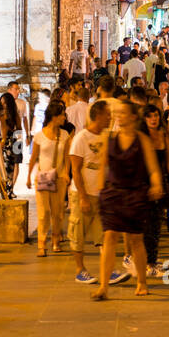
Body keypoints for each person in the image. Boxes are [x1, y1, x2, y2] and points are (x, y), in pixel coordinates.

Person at [92, 98, 163, 300]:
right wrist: (100, 190)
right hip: (113, 194)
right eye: (117, 113)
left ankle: (141, 281)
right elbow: (102, 166)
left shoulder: (143, 140)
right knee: (109, 237)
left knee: (136, 240)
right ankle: (103, 286)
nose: (119, 116)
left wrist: (156, 184)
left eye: (123, 113)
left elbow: (153, 169)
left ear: (133, 117)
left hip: (134, 194)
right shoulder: (110, 138)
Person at [69, 100, 122, 284]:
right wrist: (83, 196)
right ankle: (80, 269)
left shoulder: (107, 136)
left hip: (101, 194)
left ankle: (109, 269)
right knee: (78, 232)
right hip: (82, 193)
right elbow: (75, 169)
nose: (110, 118)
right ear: (98, 116)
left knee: (104, 233)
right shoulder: (81, 138)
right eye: (108, 114)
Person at [26, 100, 71, 256]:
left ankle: (56, 240)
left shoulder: (65, 135)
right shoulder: (39, 136)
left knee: (58, 213)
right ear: (54, 117)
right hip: (43, 177)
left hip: (58, 178)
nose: (64, 118)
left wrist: (66, 173)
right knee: (43, 212)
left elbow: (67, 158)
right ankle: (41, 243)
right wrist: (28, 176)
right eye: (62, 115)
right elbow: (33, 157)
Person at [140, 101, 169, 277]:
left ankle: (151, 261)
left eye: (156, 115)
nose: (153, 119)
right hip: (142, 184)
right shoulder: (140, 137)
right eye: (149, 116)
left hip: (160, 184)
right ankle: (145, 261)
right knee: (144, 225)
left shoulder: (164, 136)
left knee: (155, 225)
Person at [0, 91, 22, 199]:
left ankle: (9, 190)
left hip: (10, 142)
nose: (3, 105)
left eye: (5, 103)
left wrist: (18, 147)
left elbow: (19, 129)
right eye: (1, 103)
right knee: (1, 168)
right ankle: (2, 190)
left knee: (10, 168)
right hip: (1, 142)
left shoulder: (13, 114)